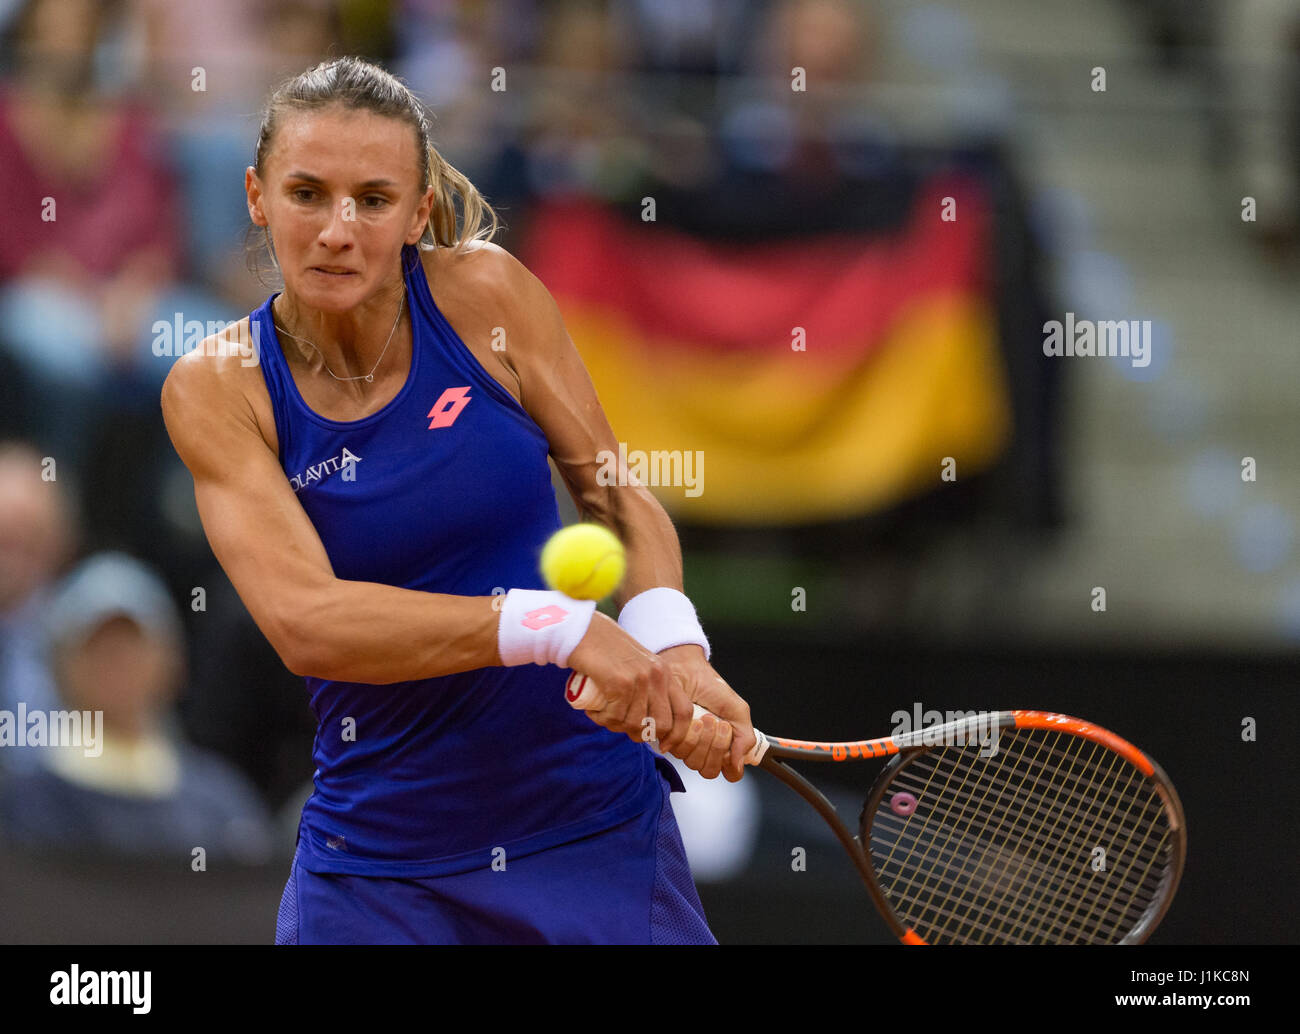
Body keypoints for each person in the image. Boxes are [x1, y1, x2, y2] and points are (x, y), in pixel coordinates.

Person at [160, 56, 756, 945]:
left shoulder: (486, 295)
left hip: (588, 827)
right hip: (378, 869)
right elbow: (308, 623)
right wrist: (553, 628)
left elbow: (614, 494)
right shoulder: (219, 388)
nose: (336, 229)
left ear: (418, 213)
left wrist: (674, 643)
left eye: (372, 198)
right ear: (256, 196)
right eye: (307, 193)